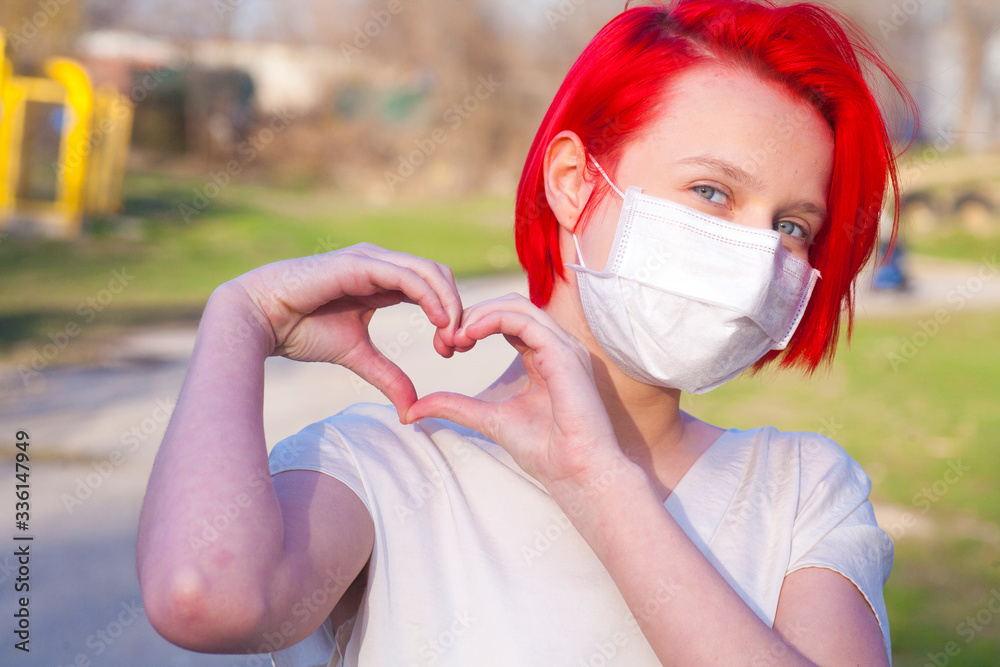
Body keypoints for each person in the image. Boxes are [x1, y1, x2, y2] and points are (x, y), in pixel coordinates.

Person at [137, 1, 915, 665]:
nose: (757, 256)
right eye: (712, 191)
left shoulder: (803, 488)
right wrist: (240, 320)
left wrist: (600, 484)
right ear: (575, 183)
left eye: (790, 225)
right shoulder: (390, 464)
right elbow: (203, 596)